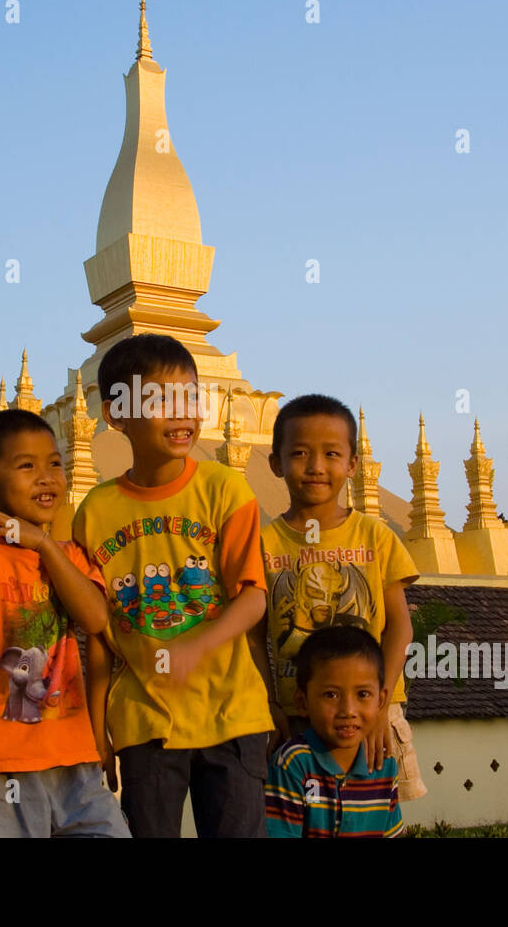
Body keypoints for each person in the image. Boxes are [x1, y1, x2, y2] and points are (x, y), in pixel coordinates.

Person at [75, 333, 273, 838]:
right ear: (116, 415)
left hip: (232, 715)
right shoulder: (93, 513)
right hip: (145, 720)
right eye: (160, 400)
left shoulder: (224, 488)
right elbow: (96, 636)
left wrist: (196, 645)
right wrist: (97, 729)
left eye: (190, 396)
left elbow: (253, 597)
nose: (182, 413)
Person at [0, 409, 130, 837]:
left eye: (55, 464)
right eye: (27, 466)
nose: (46, 477)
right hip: (4, 764)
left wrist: (44, 545)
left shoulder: (70, 556)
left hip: (75, 761)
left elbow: (96, 617)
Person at [262, 394, 426, 801]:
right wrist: (271, 705)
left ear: (353, 465)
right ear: (276, 463)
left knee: (372, 814)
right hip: (298, 713)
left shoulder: (376, 536)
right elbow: (251, 636)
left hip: (372, 711)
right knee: (303, 819)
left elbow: (399, 626)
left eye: (332, 454)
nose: (316, 467)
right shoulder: (262, 544)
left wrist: (380, 703)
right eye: (300, 453)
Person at [265, 626, 404, 837]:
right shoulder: (293, 763)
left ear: (381, 701)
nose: (348, 710)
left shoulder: (383, 766)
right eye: (331, 695)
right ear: (302, 702)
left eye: (363, 694)